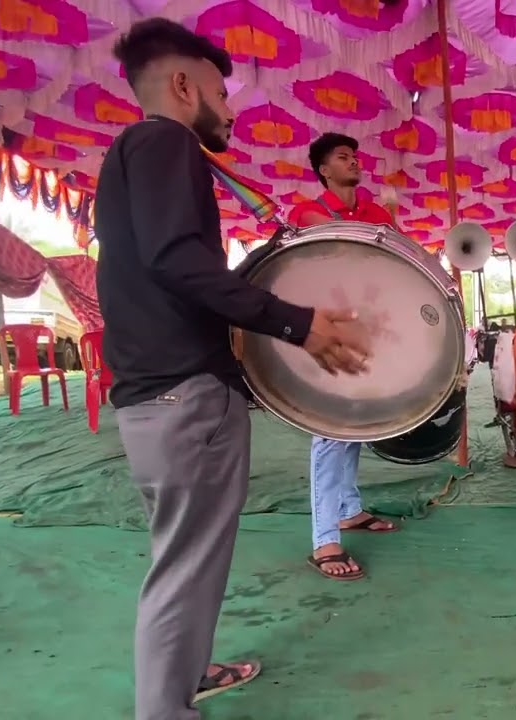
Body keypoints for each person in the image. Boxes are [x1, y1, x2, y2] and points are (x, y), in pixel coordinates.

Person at [94, 19, 370, 720]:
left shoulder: (129, 155)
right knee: (184, 567)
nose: (231, 106)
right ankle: (165, 708)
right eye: (222, 90)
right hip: (180, 397)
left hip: (157, 393)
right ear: (184, 85)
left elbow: (164, 269)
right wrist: (295, 322)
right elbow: (178, 262)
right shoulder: (164, 141)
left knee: (190, 557)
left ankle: (189, 671)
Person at [289, 133, 402, 582]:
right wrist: (384, 225)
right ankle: (324, 539)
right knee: (330, 430)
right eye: (342, 157)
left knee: (354, 422)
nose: (354, 162)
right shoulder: (305, 211)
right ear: (323, 170)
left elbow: (398, 260)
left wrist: (388, 220)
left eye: (355, 157)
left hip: (368, 331)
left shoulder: (375, 212)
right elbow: (334, 242)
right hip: (325, 333)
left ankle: (349, 510)